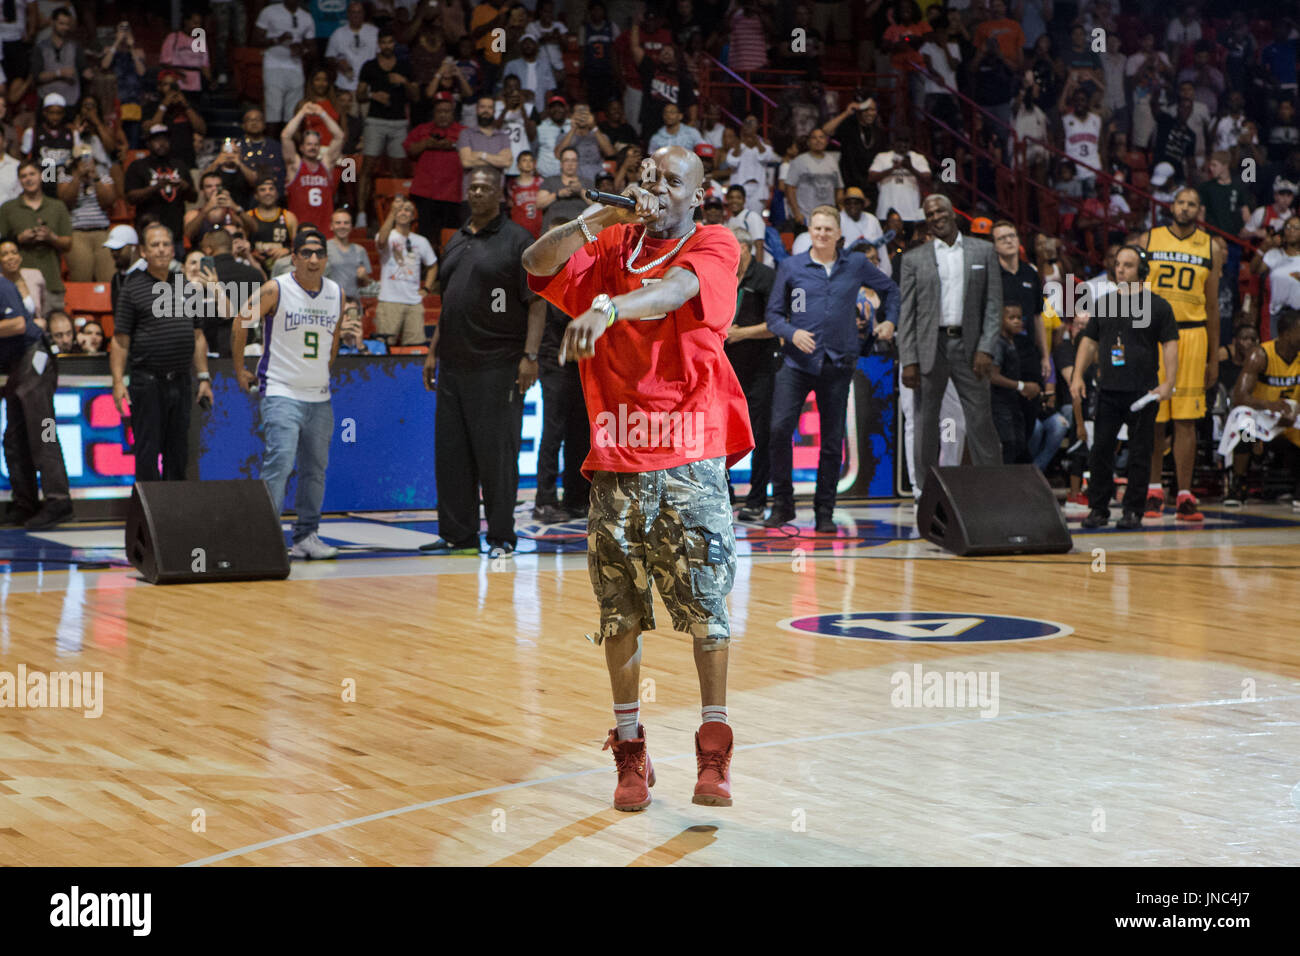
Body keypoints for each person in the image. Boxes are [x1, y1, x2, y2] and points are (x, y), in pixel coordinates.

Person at [521, 145, 751, 812]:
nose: (655, 186)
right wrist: (587, 223)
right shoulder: (613, 240)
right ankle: (630, 750)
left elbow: (677, 290)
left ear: (696, 196)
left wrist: (611, 309)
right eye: (648, 175)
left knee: (706, 608)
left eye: (672, 179)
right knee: (618, 614)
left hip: (690, 453)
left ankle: (714, 749)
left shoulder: (715, 243)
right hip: (620, 458)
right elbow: (534, 266)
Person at [421, 168, 542, 559]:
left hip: (498, 364)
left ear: (500, 194)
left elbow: (537, 302)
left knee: (496, 455)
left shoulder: (518, 241)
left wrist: (530, 356)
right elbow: (449, 301)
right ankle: (458, 535)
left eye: (485, 187)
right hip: (453, 365)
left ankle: (502, 537)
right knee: (451, 453)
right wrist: (433, 350)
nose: (477, 192)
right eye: (471, 186)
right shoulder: (456, 239)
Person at [765, 205, 899, 531]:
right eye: (817, 228)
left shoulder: (856, 264)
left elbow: (891, 290)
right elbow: (773, 316)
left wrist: (890, 322)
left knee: (832, 440)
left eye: (828, 229)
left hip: (839, 364)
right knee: (779, 430)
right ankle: (783, 504)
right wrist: (792, 332)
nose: (822, 234)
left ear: (839, 235)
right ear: (809, 231)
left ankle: (824, 511)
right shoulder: (791, 266)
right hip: (796, 363)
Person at [231, 228, 342, 560]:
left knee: (315, 469)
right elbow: (240, 322)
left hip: (319, 396)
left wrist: (323, 370)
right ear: (293, 257)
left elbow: (334, 337)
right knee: (279, 463)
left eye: (318, 253)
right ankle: (264, 534)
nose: (312, 259)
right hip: (280, 391)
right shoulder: (275, 288)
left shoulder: (336, 292)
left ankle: (307, 535)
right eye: (305, 253)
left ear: (326, 258)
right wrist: (239, 369)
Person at [897, 194, 1004, 498]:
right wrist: (908, 359)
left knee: (980, 419)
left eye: (940, 211)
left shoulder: (983, 251)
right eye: (930, 213)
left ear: (953, 212)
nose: (936, 217)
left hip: (971, 349)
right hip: (930, 347)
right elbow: (907, 314)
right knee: (925, 423)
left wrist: (986, 348)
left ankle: (993, 490)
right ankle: (926, 491)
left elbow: (994, 306)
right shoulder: (913, 258)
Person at [1070, 246, 1180, 529]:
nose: (1120, 269)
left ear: (1142, 271)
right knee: (1101, 451)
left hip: (1143, 392)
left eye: (1128, 265)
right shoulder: (1104, 302)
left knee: (1141, 453)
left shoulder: (1158, 306)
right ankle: (1098, 508)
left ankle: (1133, 510)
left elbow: (1170, 344)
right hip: (1108, 389)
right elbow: (1089, 340)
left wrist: (1170, 382)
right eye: (1118, 264)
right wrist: (1078, 375)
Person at [1138, 187, 1224, 522]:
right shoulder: (1150, 239)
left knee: (1185, 419)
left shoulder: (1211, 246)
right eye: (1180, 202)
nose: (1185, 208)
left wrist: (1213, 357)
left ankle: (1185, 495)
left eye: (1191, 204)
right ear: (1171, 206)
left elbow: (1213, 304)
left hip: (1193, 334)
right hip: (1155, 336)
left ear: (1199, 210)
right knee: (1155, 418)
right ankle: (1154, 490)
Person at [110, 222, 215, 482]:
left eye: (166, 244)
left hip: (180, 381)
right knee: (147, 451)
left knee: (178, 452)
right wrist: (117, 382)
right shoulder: (132, 288)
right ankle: (150, 518)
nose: (161, 250)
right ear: (143, 252)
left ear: (173, 250)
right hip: (147, 383)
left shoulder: (186, 286)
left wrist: (203, 377)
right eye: (154, 245)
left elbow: (198, 335)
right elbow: (120, 340)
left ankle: (175, 517)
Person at [531, 214, 592, 524]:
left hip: (581, 363)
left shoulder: (579, 269)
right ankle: (543, 499)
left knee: (580, 430)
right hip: (554, 360)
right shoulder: (545, 273)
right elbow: (564, 317)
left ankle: (576, 497)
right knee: (553, 430)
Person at [0, 273, 72, 529]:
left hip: (34, 358)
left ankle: (58, 500)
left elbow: (18, 324)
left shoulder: (2, 285)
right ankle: (25, 503)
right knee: (14, 439)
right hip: (16, 365)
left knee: (44, 432)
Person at [724, 225, 779, 522]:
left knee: (762, 435)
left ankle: (757, 499)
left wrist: (741, 334)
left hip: (760, 368)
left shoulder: (767, 277)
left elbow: (776, 323)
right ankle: (724, 492)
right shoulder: (721, 274)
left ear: (745, 248)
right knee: (720, 434)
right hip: (725, 368)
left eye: (732, 248)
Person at [1227, 309, 1300, 511]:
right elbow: (1239, 397)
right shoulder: (1260, 355)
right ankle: (1238, 484)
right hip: (1261, 421)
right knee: (1245, 428)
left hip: (1290, 421)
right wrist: (1270, 406)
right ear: (1286, 333)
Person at [0, 159, 72, 311]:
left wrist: (51, 238)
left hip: (52, 279)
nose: (28, 179)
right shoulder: (8, 208)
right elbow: (1, 243)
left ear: (41, 176)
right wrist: (19, 240)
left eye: (32, 174)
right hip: (19, 282)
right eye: (23, 176)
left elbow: (68, 244)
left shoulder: (57, 206)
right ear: (19, 180)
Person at [405, 96, 465, 254]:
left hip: (452, 193)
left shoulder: (463, 132)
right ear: (434, 113)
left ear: (453, 113)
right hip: (425, 192)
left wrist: (452, 145)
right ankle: (426, 269)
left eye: (447, 111)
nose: (443, 115)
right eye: (440, 111)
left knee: (450, 236)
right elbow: (409, 149)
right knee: (424, 235)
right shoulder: (422, 130)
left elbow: (471, 152)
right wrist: (426, 144)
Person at [375, 197, 437, 346]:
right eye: (400, 209)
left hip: (414, 302)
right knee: (384, 346)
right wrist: (392, 212)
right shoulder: (387, 235)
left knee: (415, 348)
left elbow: (433, 266)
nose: (403, 212)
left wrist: (427, 288)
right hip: (389, 301)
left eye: (407, 210)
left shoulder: (421, 241)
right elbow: (381, 242)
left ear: (413, 215)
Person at [123, 125, 196, 248]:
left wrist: (185, 186)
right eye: (157, 140)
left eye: (165, 139)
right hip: (148, 234)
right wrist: (156, 187)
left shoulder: (180, 165)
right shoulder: (138, 166)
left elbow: (194, 197)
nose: (161, 143)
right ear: (148, 143)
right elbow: (130, 197)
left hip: (175, 234)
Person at [197, 228, 264, 358]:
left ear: (209, 249)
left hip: (212, 350)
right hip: (248, 347)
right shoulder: (254, 274)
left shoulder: (203, 277)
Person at [253, 0, 317, 134]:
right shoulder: (269, 11)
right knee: (273, 111)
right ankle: (271, 149)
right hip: (273, 66)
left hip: (295, 68)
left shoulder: (306, 17)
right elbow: (255, 39)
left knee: (293, 114)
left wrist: (302, 49)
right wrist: (277, 40)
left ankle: (289, 150)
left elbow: (313, 49)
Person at [281, 103, 346, 235]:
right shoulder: (295, 165)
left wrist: (322, 113)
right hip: (300, 232)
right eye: (309, 144)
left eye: (316, 144)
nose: (313, 147)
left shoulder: (326, 165)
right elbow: (285, 136)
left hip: (325, 232)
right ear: (301, 148)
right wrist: (302, 113)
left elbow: (339, 136)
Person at [782, 129, 844, 228]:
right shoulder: (799, 161)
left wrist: (841, 209)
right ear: (808, 142)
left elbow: (839, 187)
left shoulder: (833, 161)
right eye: (814, 138)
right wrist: (796, 213)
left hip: (828, 217)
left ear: (826, 141)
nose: (818, 140)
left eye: (821, 137)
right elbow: (789, 188)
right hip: (806, 217)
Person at [1250, 217, 1300, 338]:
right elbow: (1254, 269)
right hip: (1278, 314)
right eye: (1288, 227)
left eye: (1296, 228)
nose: (1291, 231)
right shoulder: (1274, 255)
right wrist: (1264, 247)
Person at [242, 177, 299, 277]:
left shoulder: (289, 217)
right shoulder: (249, 217)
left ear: (277, 193)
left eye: (271, 189)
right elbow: (239, 245)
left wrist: (287, 250)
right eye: (262, 189)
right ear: (256, 195)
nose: (267, 192)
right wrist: (250, 254)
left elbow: (299, 247)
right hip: (254, 271)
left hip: (283, 271)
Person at [325, 208, 371, 299]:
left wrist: (364, 277)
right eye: (338, 223)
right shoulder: (324, 248)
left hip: (353, 302)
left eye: (346, 223)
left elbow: (366, 284)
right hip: (329, 301)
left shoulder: (360, 250)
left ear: (351, 226)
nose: (342, 226)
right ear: (331, 226)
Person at [0, 239, 47, 319]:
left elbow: (44, 305)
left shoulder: (35, 275)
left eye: (14, 253)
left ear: (20, 257)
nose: (11, 257)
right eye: (5, 254)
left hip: (37, 328)